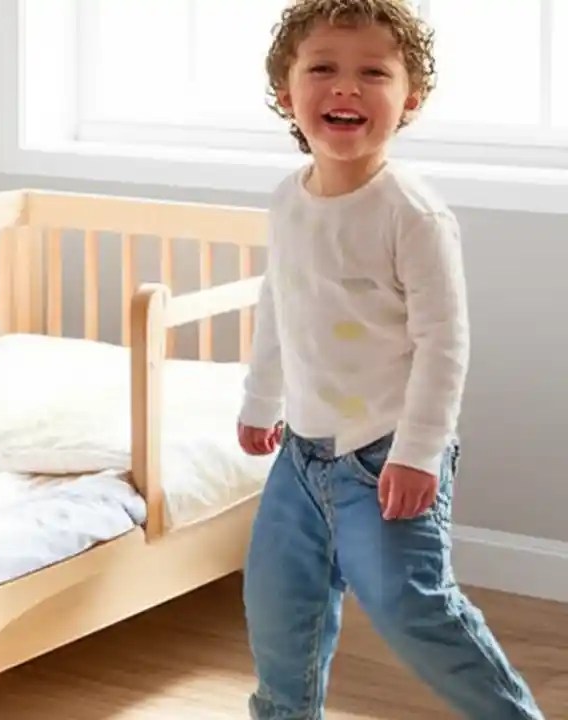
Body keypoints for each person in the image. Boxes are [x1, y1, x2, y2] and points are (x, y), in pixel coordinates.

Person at [236, 1, 545, 718]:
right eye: (323, 70)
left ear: (410, 99)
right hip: (302, 457)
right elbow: (279, 304)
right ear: (286, 92)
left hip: (383, 456)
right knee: (278, 606)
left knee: (413, 611)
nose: (346, 88)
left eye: (372, 72)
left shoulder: (412, 213)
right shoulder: (288, 201)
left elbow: (445, 342)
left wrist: (418, 454)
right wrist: (260, 400)